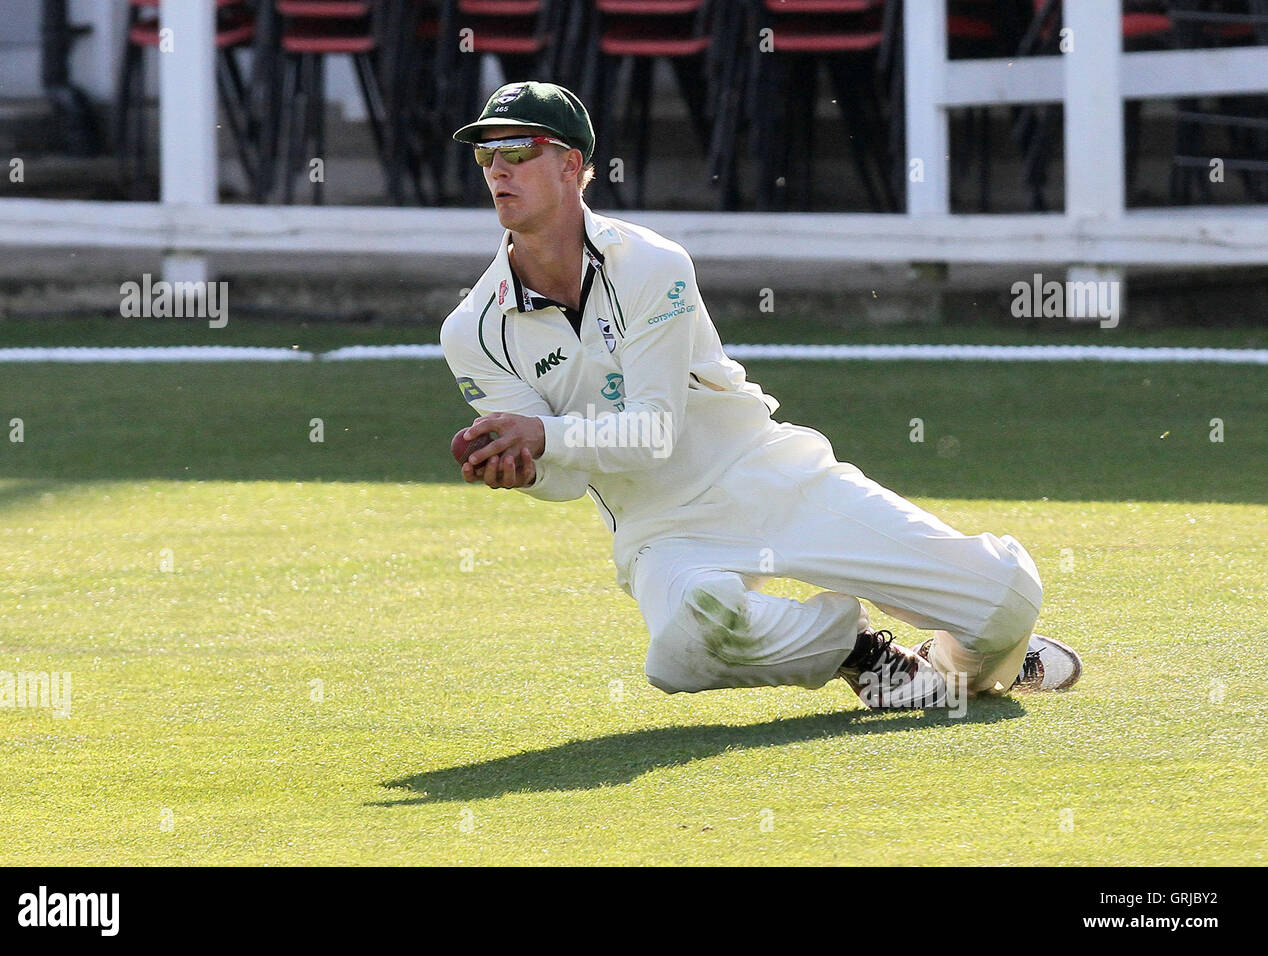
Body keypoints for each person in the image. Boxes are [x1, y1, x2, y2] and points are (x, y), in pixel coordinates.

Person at [439, 81, 1081, 708]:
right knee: (686, 645)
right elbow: (566, 483)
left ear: (572, 164)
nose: (499, 169)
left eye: (519, 149)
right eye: (486, 155)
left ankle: (958, 672)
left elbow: (653, 431)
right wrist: (524, 471)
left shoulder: (650, 264)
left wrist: (545, 437)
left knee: (1006, 600)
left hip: (769, 474)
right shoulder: (471, 330)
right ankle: (862, 653)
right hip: (659, 528)